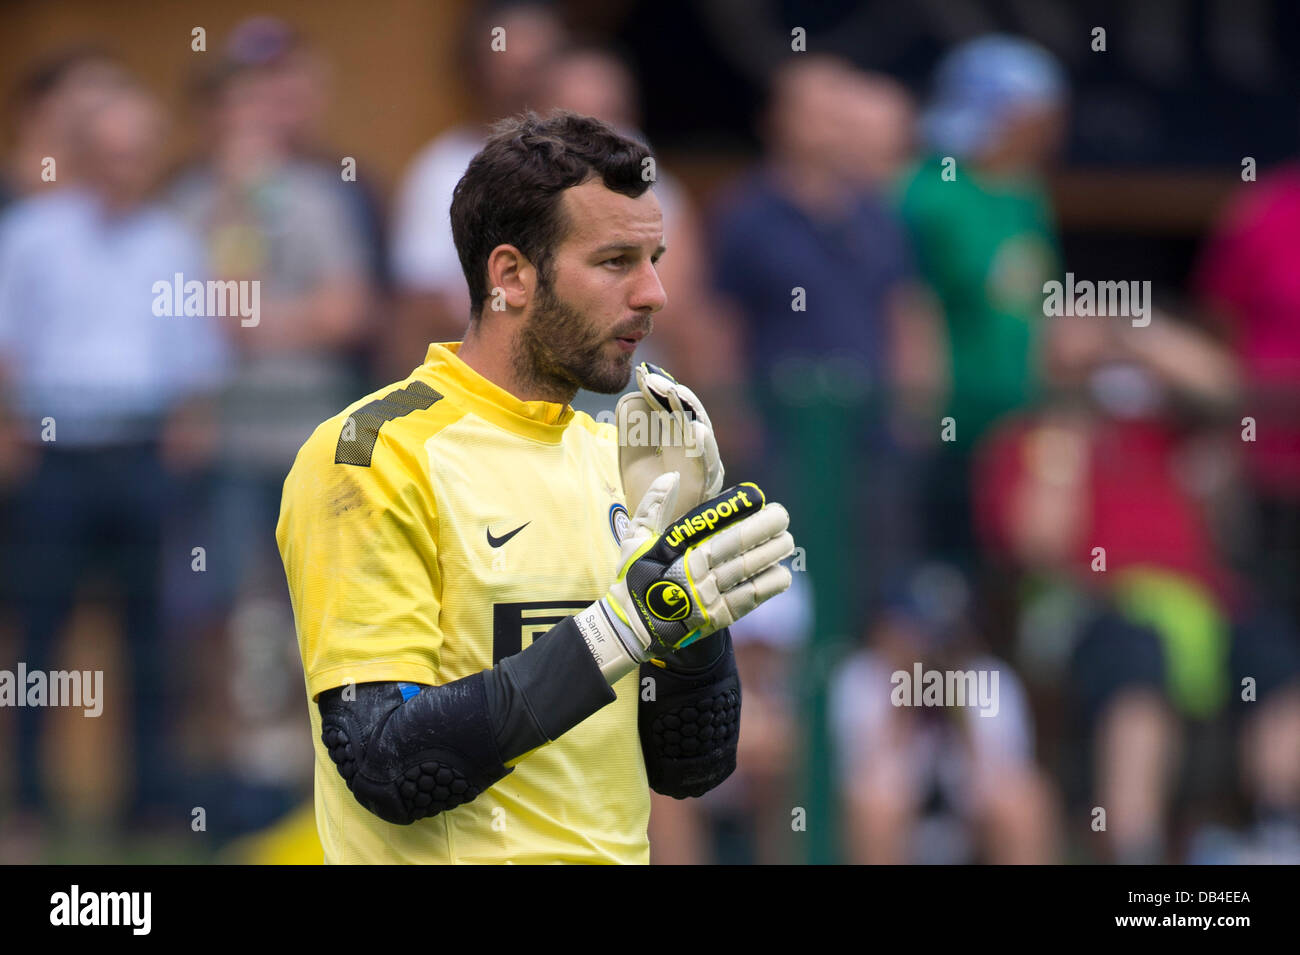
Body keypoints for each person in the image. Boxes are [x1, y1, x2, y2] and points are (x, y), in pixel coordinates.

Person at [276, 111, 796, 864]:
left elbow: (692, 765)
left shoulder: (622, 459)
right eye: (617, 261)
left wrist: (689, 631)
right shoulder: (370, 454)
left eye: (655, 257)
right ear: (511, 275)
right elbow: (387, 762)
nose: (653, 293)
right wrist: (621, 628)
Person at [0, 80, 230, 855]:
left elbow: (195, 355)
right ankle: (27, 801)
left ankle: (152, 803)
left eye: (138, 154)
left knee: (152, 638)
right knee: (40, 636)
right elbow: (7, 339)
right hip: (53, 452)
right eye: (111, 152)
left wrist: (186, 433)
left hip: (142, 451)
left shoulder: (171, 241)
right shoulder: (32, 232)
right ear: (85, 155)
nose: (125, 167)